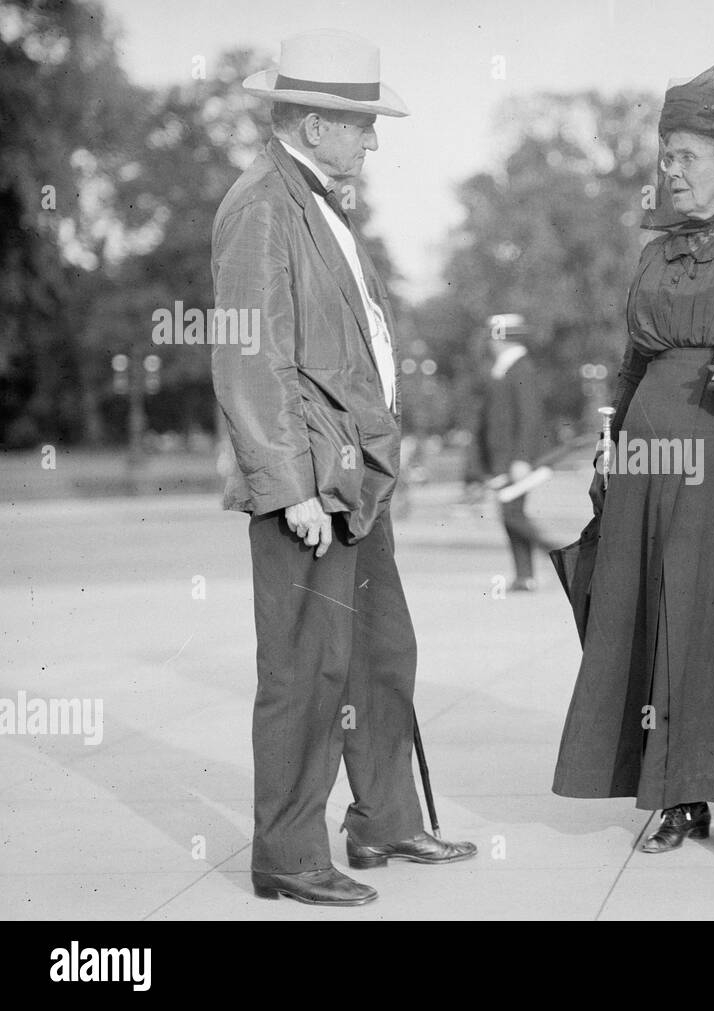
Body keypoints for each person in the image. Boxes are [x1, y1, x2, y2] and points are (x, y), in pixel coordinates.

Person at [211, 29, 475, 907]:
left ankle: (385, 819)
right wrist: (292, 491)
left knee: (380, 653)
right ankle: (286, 854)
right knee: (306, 670)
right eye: (361, 125)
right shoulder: (262, 205)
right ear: (316, 123)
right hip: (312, 486)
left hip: (354, 473)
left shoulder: (318, 199)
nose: (372, 140)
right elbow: (253, 359)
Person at [552, 10, 714, 862]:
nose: (670, 168)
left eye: (687, 156)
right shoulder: (652, 256)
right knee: (652, 616)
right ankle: (674, 797)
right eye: (665, 155)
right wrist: (610, 445)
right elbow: (632, 363)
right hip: (648, 463)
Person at [477, 313, 556, 591]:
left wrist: (522, 457)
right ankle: (525, 574)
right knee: (511, 513)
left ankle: (557, 552)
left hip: (516, 459)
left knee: (512, 514)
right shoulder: (507, 368)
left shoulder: (520, 368)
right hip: (505, 458)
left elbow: (529, 415)